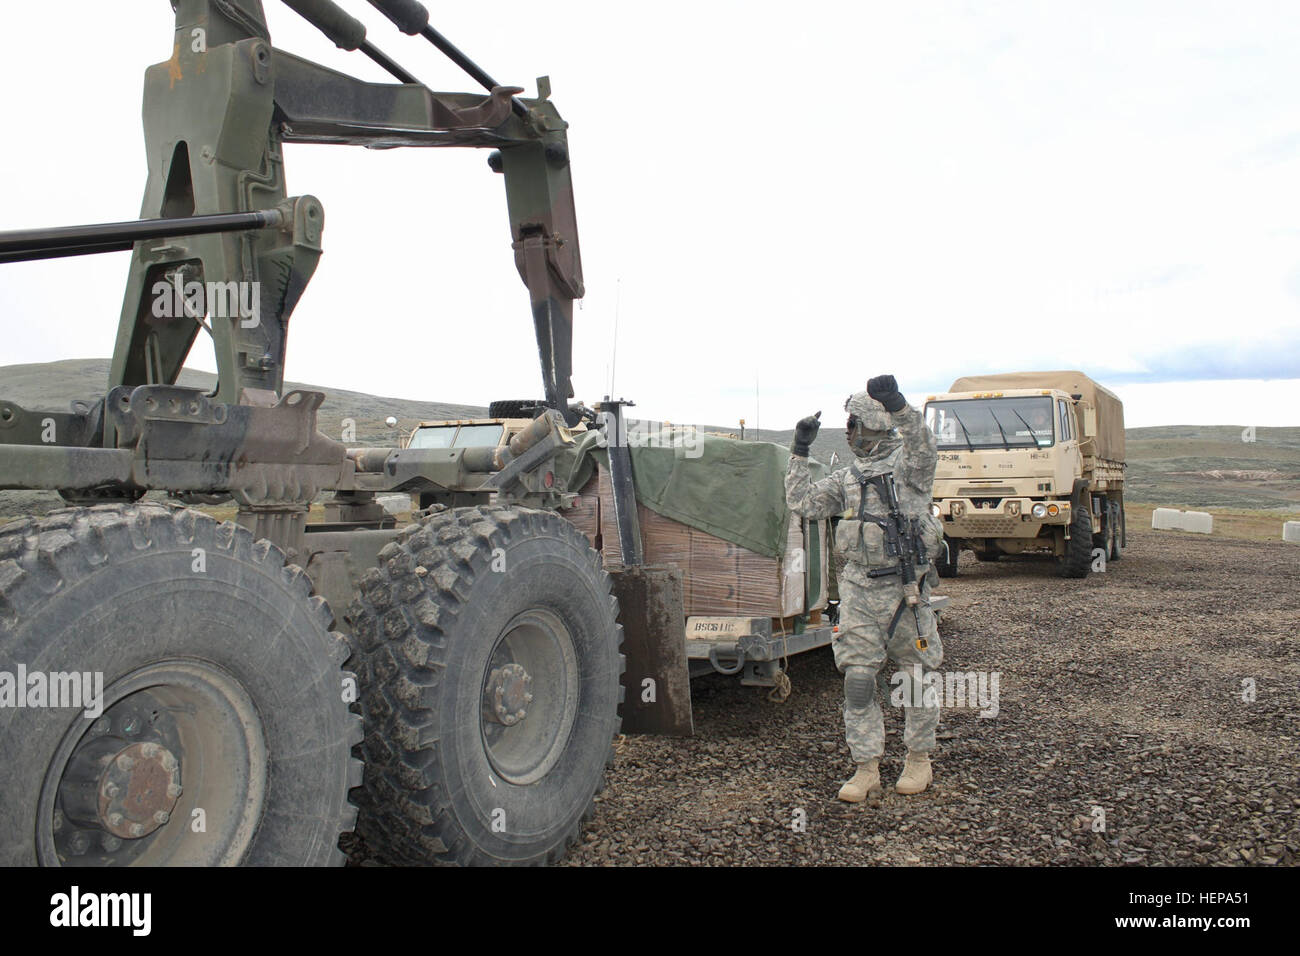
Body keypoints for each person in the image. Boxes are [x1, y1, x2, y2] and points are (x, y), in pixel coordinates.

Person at [785, 375, 944, 802]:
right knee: (857, 680)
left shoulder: (910, 468)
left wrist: (899, 405)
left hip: (904, 590)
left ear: (875, 423)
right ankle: (866, 767)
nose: (850, 432)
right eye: (848, 424)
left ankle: (918, 759)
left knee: (915, 678)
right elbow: (802, 503)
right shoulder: (848, 478)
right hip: (858, 589)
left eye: (854, 423)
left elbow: (924, 445)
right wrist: (800, 450)